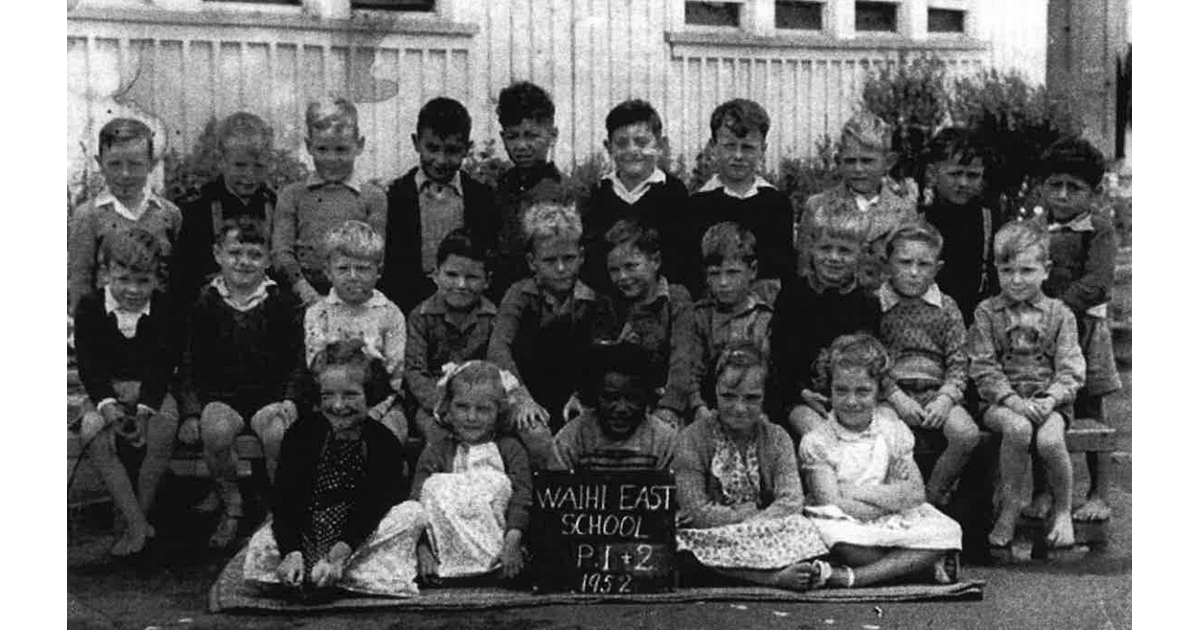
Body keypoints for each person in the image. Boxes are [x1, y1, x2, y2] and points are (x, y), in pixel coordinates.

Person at [242, 339, 423, 597]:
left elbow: (372, 508)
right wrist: (292, 552)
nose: (338, 406)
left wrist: (339, 555)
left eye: (350, 395)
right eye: (328, 395)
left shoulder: (383, 443)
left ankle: (334, 574)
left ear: (369, 395)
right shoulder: (301, 434)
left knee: (411, 513)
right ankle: (327, 575)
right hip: (309, 529)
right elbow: (285, 499)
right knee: (262, 544)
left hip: (357, 537)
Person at [176, 217, 306, 548]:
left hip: (270, 396)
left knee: (277, 432)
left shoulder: (282, 301)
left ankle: (279, 511)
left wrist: (291, 398)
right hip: (223, 397)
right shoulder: (205, 300)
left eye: (254, 254)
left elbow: (297, 358)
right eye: (235, 252)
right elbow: (189, 360)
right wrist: (191, 411)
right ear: (218, 254)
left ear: (267, 260)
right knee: (215, 429)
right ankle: (232, 503)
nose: (244, 262)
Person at [799, 334, 962, 588]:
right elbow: (832, 504)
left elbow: (916, 493)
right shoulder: (818, 440)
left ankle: (856, 577)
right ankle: (917, 568)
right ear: (829, 389)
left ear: (877, 392)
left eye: (863, 391)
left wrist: (856, 491)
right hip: (848, 523)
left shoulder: (892, 430)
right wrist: (893, 497)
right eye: (841, 390)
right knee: (838, 540)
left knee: (949, 531)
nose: (851, 401)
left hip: (892, 520)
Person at [966, 220, 1085, 549]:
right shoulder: (987, 313)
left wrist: (1050, 399)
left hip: (1050, 403)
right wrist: (1012, 401)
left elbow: (1071, 368)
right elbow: (983, 366)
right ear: (996, 271)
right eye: (1007, 270)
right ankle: (1009, 509)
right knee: (1017, 429)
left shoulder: (1060, 315)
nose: (1016, 280)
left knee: (1048, 441)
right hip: (1001, 404)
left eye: (1027, 270)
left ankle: (1063, 513)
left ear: (1046, 270)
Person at [675, 344, 829, 590]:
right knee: (682, 543)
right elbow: (695, 510)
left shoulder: (777, 438)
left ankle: (739, 573)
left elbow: (790, 501)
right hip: (713, 532)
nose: (739, 408)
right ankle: (772, 578)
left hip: (767, 528)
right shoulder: (692, 438)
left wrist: (753, 526)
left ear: (766, 396)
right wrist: (745, 517)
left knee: (803, 527)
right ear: (713, 392)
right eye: (728, 396)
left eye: (751, 398)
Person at [1028, 137, 1123, 524]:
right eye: (1055, 186)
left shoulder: (1098, 230)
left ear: (1093, 191)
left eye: (1075, 188)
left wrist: (1058, 308)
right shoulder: (1034, 228)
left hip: (1085, 330)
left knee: (1090, 407)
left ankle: (1098, 492)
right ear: (1043, 187)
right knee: (1040, 402)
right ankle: (1043, 491)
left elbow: (1098, 282)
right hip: (1039, 332)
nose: (1063, 195)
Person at [73, 228, 182, 557]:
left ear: (156, 278)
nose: (133, 290)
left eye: (143, 281)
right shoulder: (90, 307)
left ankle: (138, 516)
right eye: (123, 280)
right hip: (104, 391)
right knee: (93, 431)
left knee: (164, 426)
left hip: (150, 391)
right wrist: (109, 407)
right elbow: (89, 366)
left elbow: (164, 365)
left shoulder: (165, 308)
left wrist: (145, 409)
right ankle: (136, 525)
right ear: (106, 273)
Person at [487, 202, 618, 433]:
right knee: (536, 433)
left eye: (568, 258)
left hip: (575, 398)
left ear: (581, 257)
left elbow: (602, 357)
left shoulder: (595, 302)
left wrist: (583, 395)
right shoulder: (519, 296)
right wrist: (520, 396)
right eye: (549, 260)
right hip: (524, 394)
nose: (560, 268)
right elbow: (498, 349)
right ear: (532, 262)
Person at [876, 222, 979, 507]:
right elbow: (869, 360)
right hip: (892, 394)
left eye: (924, 264)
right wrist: (895, 397)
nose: (913, 271)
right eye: (905, 262)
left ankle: (931, 498)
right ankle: (898, 494)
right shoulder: (876, 304)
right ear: (888, 264)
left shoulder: (947, 307)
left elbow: (959, 362)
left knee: (966, 434)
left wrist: (946, 399)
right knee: (885, 434)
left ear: (937, 268)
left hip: (936, 391)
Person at [407, 361, 533, 582]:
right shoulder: (436, 453)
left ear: (499, 411)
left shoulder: (510, 450)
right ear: (448, 408)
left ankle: (494, 565)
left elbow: (521, 499)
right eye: (462, 407)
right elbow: (417, 502)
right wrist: (422, 548)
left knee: (496, 483)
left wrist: (513, 541)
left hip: (498, 549)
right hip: (444, 553)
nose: (471, 417)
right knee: (434, 486)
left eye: (483, 409)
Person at [770, 211, 881, 443]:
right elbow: (779, 357)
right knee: (821, 437)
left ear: (860, 253)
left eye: (844, 251)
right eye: (825, 249)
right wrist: (800, 393)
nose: (833, 257)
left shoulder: (867, 303)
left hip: (849, 395)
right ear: (812, 249)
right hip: (797, 396)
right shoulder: (793, 294)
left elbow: (868, 361)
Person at [383, 97, 500, 314]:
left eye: (452, 150)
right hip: (410, 304)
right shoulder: (396, 196)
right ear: (416, 142)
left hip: (466, 303)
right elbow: (392, 266)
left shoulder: (481, 197)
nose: (441, 160)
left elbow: (488, 259)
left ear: (467, 148)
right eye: (432, 148)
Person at [272, 97, 387, 306]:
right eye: (323, 149)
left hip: (355, 297)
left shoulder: (372, 197)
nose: (332, 159)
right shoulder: (292, 195)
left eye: (341, 149)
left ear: (359, 145)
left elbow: (377, 255)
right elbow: (281, 252)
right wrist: (305, 291)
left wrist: (349, 296)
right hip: (301, 298)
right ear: (309, 145)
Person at [304, 221, 408, 441]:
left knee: (391, 433)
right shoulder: (318, 313)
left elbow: (395, 372)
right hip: (331, 402)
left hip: (381, 402)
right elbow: (315, 368)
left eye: (362, 268)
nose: (352, 276)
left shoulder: (389, 313)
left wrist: (376, 411)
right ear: (328, 272)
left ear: (378, 271)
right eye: (343, 268)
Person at [68, 118, 182, 316]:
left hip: (159, 326)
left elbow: (177, 277)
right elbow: (81, 280)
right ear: (100, 164)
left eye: (135, 164)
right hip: (106, 326)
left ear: (151, 164)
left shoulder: (169, 214)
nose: (125, 174)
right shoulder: (88, 215)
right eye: (114, 164)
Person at [683, 98, 796, 295]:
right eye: (729, 146)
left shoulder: (777, 205)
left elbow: (783, 272)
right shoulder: (696, 206)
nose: (738, 155)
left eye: (747, 147)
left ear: (763, 149)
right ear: (713, 146)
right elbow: (692, 276)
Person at [171, 112, 278, 311]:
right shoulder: (196, 208)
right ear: (221, 161)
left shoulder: (276, 206)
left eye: (258, 166)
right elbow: (183, 276)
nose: (249, 175)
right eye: (240, 165)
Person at [799, 112, 918, 291]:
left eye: (867, 161)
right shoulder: (818, 206)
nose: (858, 169)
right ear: (839, 161)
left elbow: (909, 271)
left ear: (889, 162)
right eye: (850, 161)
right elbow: (804, 269)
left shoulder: (904, 213)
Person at [581, 99, 690, 290]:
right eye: (622, 143)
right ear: (608, 147)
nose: (632, 150)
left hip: (661, 302)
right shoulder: (599, 195)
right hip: (608, 302)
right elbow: (592, 260)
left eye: (641, 142)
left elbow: (682, 259)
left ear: (660, 144)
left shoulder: (674, 194)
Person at [602, 219, 696, 429]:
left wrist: (670, 407)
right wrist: (620, 347)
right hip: (625, 402)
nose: (623, 277)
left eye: (631, 266)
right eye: (614, 270)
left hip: (670, 399)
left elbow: (683, 358)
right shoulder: (612, 305)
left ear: (655, 261)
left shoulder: (676, 298)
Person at [688, 222, 777, 425]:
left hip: (755, 409)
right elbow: (692, 372)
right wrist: (698, 407)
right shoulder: (701, 317)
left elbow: (769, 374)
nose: (723, 283)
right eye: (715, 274)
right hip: (709, 409)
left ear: (752, 270)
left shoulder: (764, 318)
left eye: (732, 273)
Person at [918, 127, 1003, 324]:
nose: (963, 183)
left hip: (977, 321)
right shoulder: (919, 221)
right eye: (955, 174)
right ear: (932, 174)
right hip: (928, 321)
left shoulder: (990, 220)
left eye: (972, 175)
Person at [550, 343, 678, 472]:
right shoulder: (572, 439)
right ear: (594, 396)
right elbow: (556, 486)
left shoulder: (664, 442)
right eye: (610, 398)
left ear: (646, 397)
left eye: (632, 398)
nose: (621, 408)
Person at [491, 81, 566, 299]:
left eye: (531, 135)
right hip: (502, 298)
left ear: (552, 135)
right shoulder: (500, 189)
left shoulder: (565, 192)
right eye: (513, 136)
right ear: (503, 137)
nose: (522, 146)